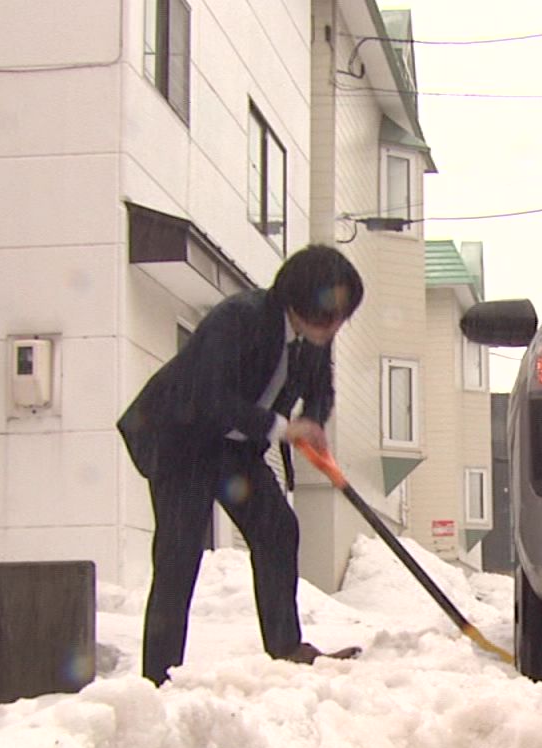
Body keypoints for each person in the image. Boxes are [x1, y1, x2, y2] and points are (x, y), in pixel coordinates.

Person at [117, 244, 363, 684]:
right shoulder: (239, 319)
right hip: (181, 437)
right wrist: (280, 427)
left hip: (234, 447)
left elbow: (321, 388)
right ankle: (158, 677)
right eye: (333, 313)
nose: (337, 325)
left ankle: (287, 647)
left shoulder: (313, 340)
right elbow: (206, 398)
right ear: (303, 300)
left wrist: (313, 421)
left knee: (277, 527)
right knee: (179, 551)